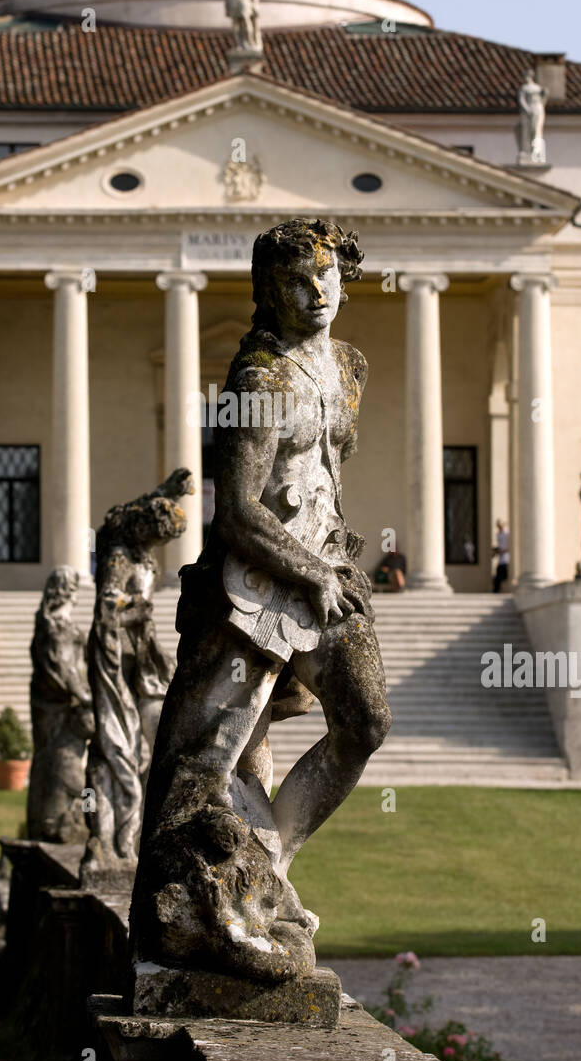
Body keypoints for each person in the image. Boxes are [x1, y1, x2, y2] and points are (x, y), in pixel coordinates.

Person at [130, 217, 391, 980]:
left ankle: (266, 864)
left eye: (326, 278)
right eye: (295, 282)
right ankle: (223, 894)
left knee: (367, 723)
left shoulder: (348, 368)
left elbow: (326, 478)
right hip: (258, 586)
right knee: (212, 760)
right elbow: (238, 510)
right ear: (267, 292)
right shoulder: (259, 382)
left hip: (329, 572)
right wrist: (307, 570)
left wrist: (330, 564)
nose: (315, 293)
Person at [492, 518, 510, 592]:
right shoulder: (498, 534)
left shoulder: (507, 534)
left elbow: (509, 546)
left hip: (506, 558)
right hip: (501, 558)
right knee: (497, 575)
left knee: (502, 575)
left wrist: (503, 551)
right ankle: (496, 590)